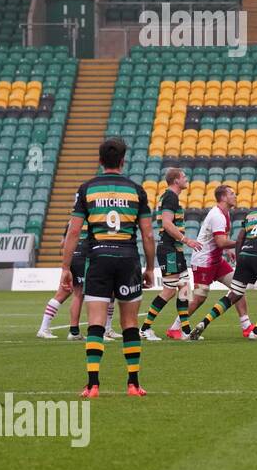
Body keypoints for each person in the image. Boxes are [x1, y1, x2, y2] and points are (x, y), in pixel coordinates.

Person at [58, 137, 155, 398]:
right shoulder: (136, 190)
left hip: (98, 258)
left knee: (96, 322)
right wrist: (150, 268)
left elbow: (74, 231)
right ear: (123, 161)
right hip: (127, 258)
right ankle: (133, 384)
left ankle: (92, 385)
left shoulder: (86, 189)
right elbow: (148, 234)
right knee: (130, 322)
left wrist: (65, 267)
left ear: (100, 161)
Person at [192, 187, 257, 340]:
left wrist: (239, 259)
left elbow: (240, 239)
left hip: (244, 255)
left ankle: (204, 322)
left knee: (235, 294)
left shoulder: (251, 213)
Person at [140, 166, 201, 340]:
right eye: (184, 176)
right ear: (176, 180)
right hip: (169, 249)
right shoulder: (170, 197)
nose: (186, 179)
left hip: (175, 249)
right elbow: (167, 223)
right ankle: (144, 329)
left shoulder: (170, 197)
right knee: (169, 291)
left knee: (185, 288)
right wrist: (186, 240)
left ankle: (185, 331)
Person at [186, 184, 251, 336]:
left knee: (238, 286)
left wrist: (227, 250)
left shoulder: (225, 213)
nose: (235, 196)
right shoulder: (217, 216)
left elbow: (220, 240)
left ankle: (246, 326)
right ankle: (176, 326)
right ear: (223, 197)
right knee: (199, 298)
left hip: (216, 260)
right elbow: (221, 242)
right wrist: (239, 243)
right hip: (203, 261)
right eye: (231, 193)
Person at [37, 216, 98, 340]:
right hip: (83, 258)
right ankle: (74, 332)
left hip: (70, 259)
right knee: (78, 294)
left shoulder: (72, 220)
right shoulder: (94, 217)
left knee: (62, 294)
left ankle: (43, 328)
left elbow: (62, 243)